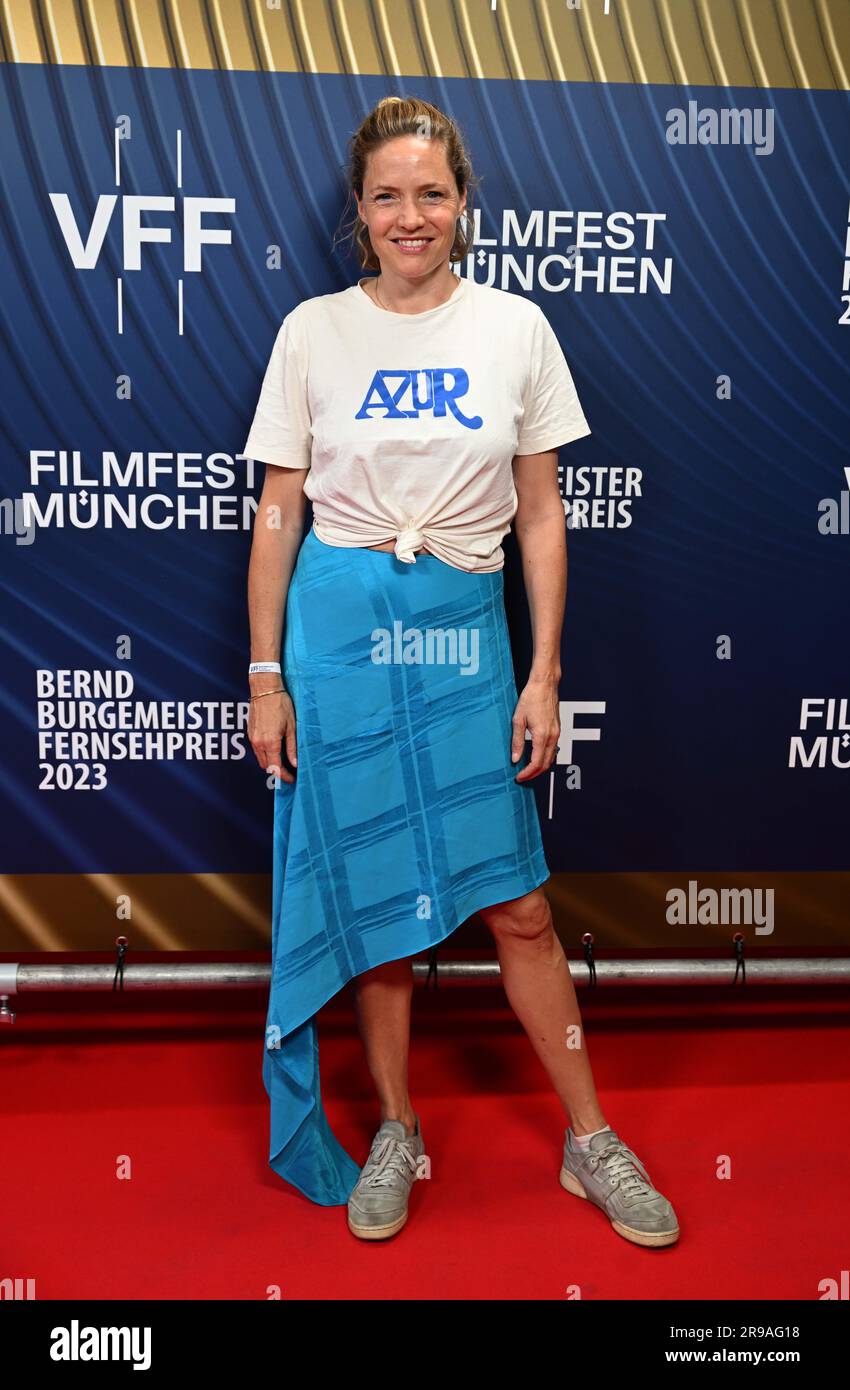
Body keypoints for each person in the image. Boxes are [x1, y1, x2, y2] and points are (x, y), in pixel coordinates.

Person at [242, 95, 678, 1248]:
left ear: (464, 203)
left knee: (522, 909)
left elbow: (541, 515)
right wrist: (265, 676)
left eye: (430, 193)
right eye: (386, 195)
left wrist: (542, 673)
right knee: (379, 909)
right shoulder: (312, 332)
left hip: (462, 635)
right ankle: (396, 1124)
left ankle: (589, 1140)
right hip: (338, 640)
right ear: (360, 210)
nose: (409, 215)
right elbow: (278, 516)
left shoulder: (515, 329)